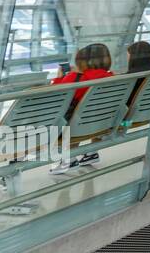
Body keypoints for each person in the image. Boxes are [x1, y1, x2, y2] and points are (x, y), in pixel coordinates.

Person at [49, 43, 114, 173]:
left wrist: (59, 78)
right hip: (103, 124)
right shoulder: (112, 78)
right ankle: (90, 153)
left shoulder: (75, 79)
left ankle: (70, 158)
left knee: (72, 116)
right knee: (84, 113)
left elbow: (56, 98)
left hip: (77, 128)